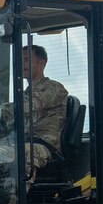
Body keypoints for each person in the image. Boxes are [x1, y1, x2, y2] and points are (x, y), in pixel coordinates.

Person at [10, 43, 69, 178]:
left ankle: (15, 198)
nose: (21, 64)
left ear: (41, 63)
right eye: (19, 60)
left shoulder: (54, 88)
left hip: (45, 145)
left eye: (25, 60)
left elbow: (28, 106)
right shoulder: (25, 93)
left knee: (20, 155)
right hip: (26, 141)